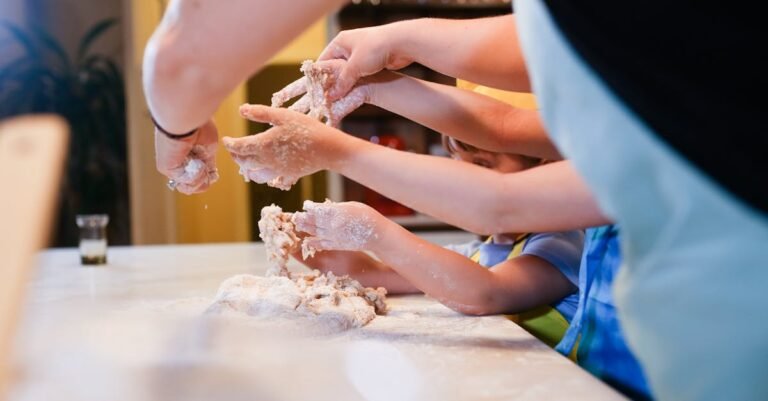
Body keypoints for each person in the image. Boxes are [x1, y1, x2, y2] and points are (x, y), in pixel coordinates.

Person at [308, 8, 768, 401]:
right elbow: (504, 124)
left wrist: (339, 156)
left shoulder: (578, 220)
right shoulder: (649, 104)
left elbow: (496, 213)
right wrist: (374, 77)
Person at [292, 135, 583, 347]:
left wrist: (377, 233)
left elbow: (486, 294)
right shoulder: (477, 254)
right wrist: (298, 238)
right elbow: (375, 274)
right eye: (458, 166)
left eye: (483, 163)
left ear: (544, 167)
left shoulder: (563, 244)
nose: (466, 180)